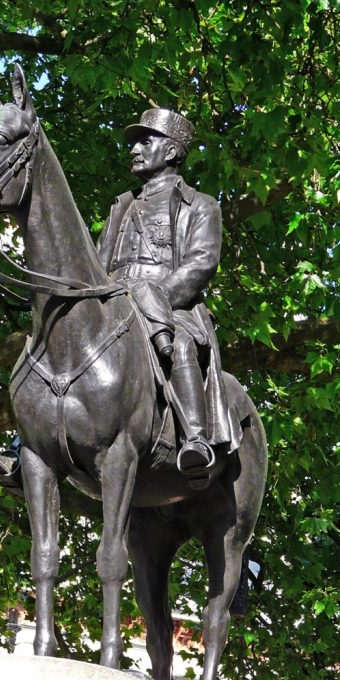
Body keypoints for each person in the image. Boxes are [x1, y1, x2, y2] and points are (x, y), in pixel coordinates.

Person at [96, 108, 241, 475]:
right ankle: (25, 449)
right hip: (112, 299)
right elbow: (97, 263)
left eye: (146, 141)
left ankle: (195, 440)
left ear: (173, 152)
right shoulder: (121, 205)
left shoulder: (202, 205)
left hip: (168, 302)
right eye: (134, 143)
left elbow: (201, 264)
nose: (135, 149)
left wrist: (154, 298)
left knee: (179, 344)